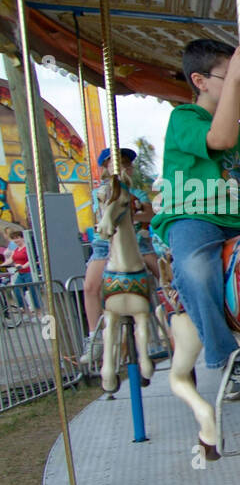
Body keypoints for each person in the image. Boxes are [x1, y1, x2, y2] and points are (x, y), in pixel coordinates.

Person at [150, 38, 240, 400]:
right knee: (197, 268)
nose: (239, 85)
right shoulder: (185, 118)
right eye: (230, 77)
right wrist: (236, 80)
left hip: (239, 218)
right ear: (200, 81)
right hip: (193, 216)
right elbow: (220, 138)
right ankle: (228, 359)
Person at [82, 147, 158, 362]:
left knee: (165, 276)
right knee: (90, 287)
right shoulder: (101, 192)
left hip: (138, 244)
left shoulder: (138, 193)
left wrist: (130, 214)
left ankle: (171, 319)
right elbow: (105, 211)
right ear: (106, 168)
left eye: (125, 164)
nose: (121, 168)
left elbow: (149, 214)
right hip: (105, 245)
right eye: (115, 164)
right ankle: (94, 339)